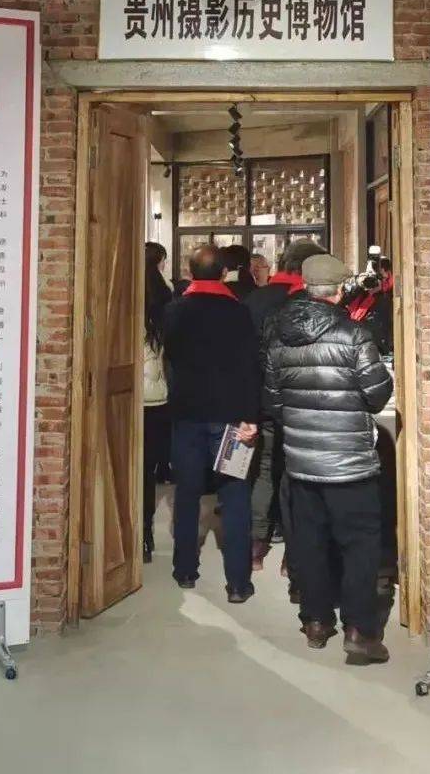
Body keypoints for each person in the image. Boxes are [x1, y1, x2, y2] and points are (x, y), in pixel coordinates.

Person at [265, 253, 394, 661]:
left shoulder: (279, 335)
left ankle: (316, 621)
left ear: (306, 287)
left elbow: (272, 401)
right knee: (360, 545)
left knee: (310, 543)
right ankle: (360, 630)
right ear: (339, 290)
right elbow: (377, 396)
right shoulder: (354, 336)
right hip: (350, 462)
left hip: (302, 463)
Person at [163, 244, 260, 602]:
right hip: (231, 415)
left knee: (187, 493)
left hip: (187, 413)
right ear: (224, 273)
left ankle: (185, 570)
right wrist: (251, 416)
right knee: (234, 495)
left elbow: (171, 358)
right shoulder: (239, 312)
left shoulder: (174, 311)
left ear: (190, 272)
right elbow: (250, 367)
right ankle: (238, 582)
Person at [244, 239, 326, 575]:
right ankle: (293, 556)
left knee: (263, 469)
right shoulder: (311, 303)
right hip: (299, 400)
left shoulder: (254, 300)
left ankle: (256, 545)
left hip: (259, 397)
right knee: (297, 474)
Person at [142, 243, 173, 559]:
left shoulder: (121, 296)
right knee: (147, 470)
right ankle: (145, 535)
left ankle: (127, 532)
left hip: (124, 395)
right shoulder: (166, 298)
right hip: (156, 395)